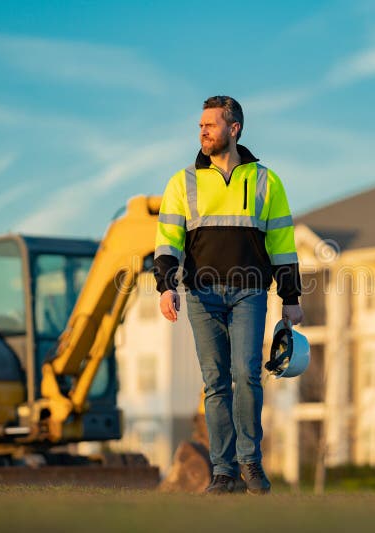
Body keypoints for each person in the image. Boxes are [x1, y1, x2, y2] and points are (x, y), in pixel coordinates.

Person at [154, 95, 303, 494]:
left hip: (250, 293)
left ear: (233, 128)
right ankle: (222, 471)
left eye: (211, 124)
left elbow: (283, 243)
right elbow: (168, 240)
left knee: (246, 375)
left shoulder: (266, 181)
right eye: (200, 125)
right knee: (215, 381)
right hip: (201, 295)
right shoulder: (182, 181)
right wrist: (166, 286)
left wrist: (290, 297)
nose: (202, 130)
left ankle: (250, 463)